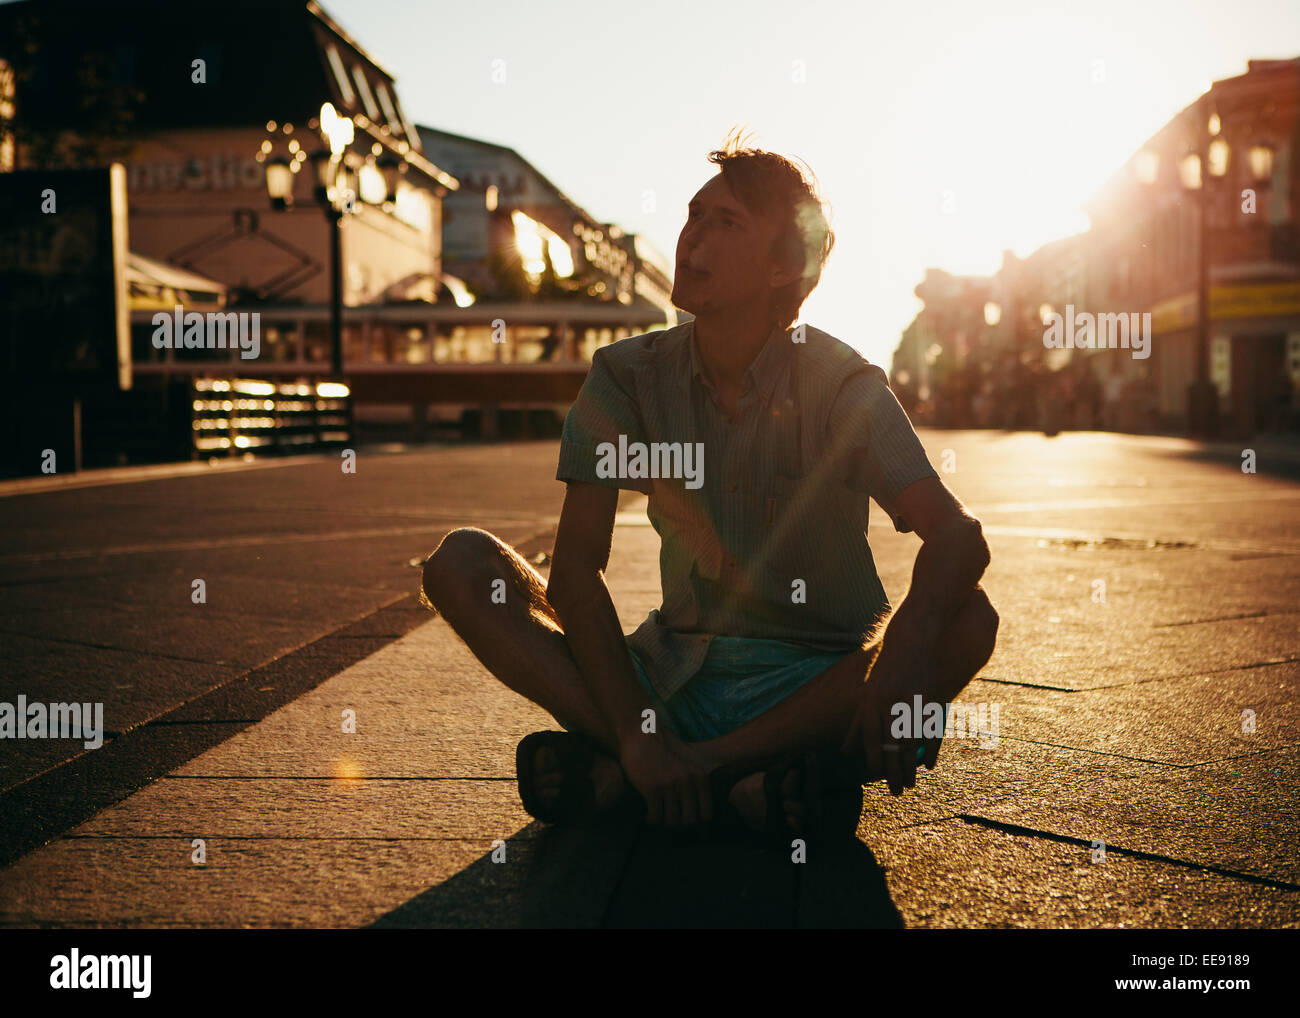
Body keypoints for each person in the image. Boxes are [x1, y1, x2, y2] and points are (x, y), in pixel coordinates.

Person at [421, 132, 998, 839]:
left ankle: (656, 777)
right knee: (461, 563)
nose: (692, 238)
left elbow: (958, 536)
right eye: (693, 215)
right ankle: (742, 784)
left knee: (968, 620)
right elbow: (574, 574)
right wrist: (637, 728)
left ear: (785, 266)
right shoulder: (624, 376)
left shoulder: (840, 383)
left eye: (726, 223)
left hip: (814, 685)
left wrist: (905, 646)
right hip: (664, 678)